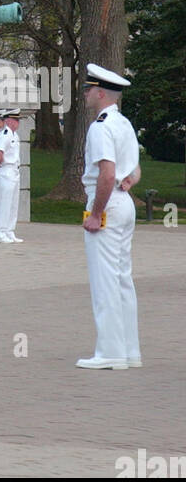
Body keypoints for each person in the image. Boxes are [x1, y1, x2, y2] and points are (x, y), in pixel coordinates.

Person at [77, 63, 141, 371]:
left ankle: (110, 352)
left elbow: (107, 172)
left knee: (105, 281)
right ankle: (129, 350)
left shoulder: (100, 126)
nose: (86, 94)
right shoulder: (124, 123)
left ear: (100, 92)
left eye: (89, 89)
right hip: (123, 201)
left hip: (108, 204)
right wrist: (128, 182)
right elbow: (133, 170)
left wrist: (96, 213)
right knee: (121, 279)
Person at [0, 108, 22, 243]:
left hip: (15, 170)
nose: (17, 123)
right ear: (8, 121)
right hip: (7, 170)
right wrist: (1, 165)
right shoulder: (5, 134)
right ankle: (1, 231)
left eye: (18, 120)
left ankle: (10, 230)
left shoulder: (14, 135)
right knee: (5, 202)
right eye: (15, 120)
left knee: (13, 203)